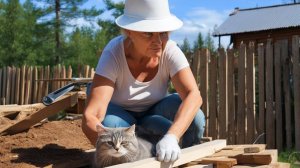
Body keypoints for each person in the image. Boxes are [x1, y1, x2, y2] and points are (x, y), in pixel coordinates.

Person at [82, 0, 205, 163]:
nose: (158, 42)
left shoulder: (170, 51)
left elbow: (194, 95)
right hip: (120, 116)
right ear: (129, 31)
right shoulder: (113, 54)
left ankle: (185, 161)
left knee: (196, 117)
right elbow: (91, 116)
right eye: (148, 33)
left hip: (153, 114)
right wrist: (111, 152)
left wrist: (172, 136)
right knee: (110, 124)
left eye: (163, 33)